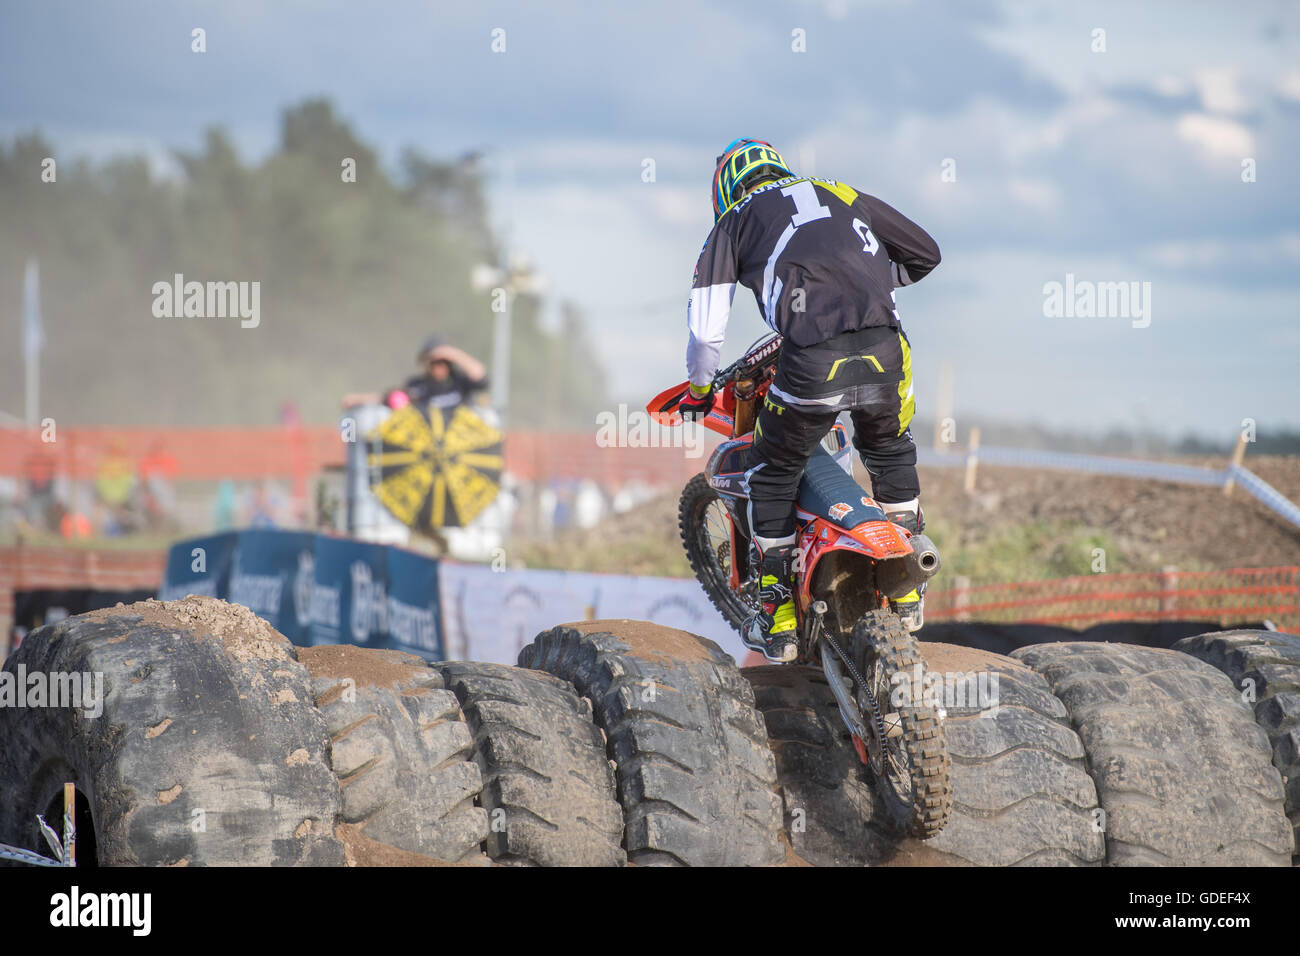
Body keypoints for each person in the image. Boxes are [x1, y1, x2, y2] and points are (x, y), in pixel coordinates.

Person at [678, 138, 941, 663]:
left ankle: (775, 616)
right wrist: (866, 281)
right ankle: (907, 589)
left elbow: (706, 331)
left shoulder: (733, 222)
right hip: (887, 347)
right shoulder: (839, 191)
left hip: (814, 356)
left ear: (725, 190)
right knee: (889, 449)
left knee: (772, 470)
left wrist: (700, 389)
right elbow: (925, 254)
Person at [343, 335, 489, 411]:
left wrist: (451, 353)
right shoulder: (419, 386)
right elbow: (389, 398)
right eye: (433, 362)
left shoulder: (460, 382)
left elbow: (481, 376)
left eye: (442, 362)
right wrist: (358, 399)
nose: (437, 367)